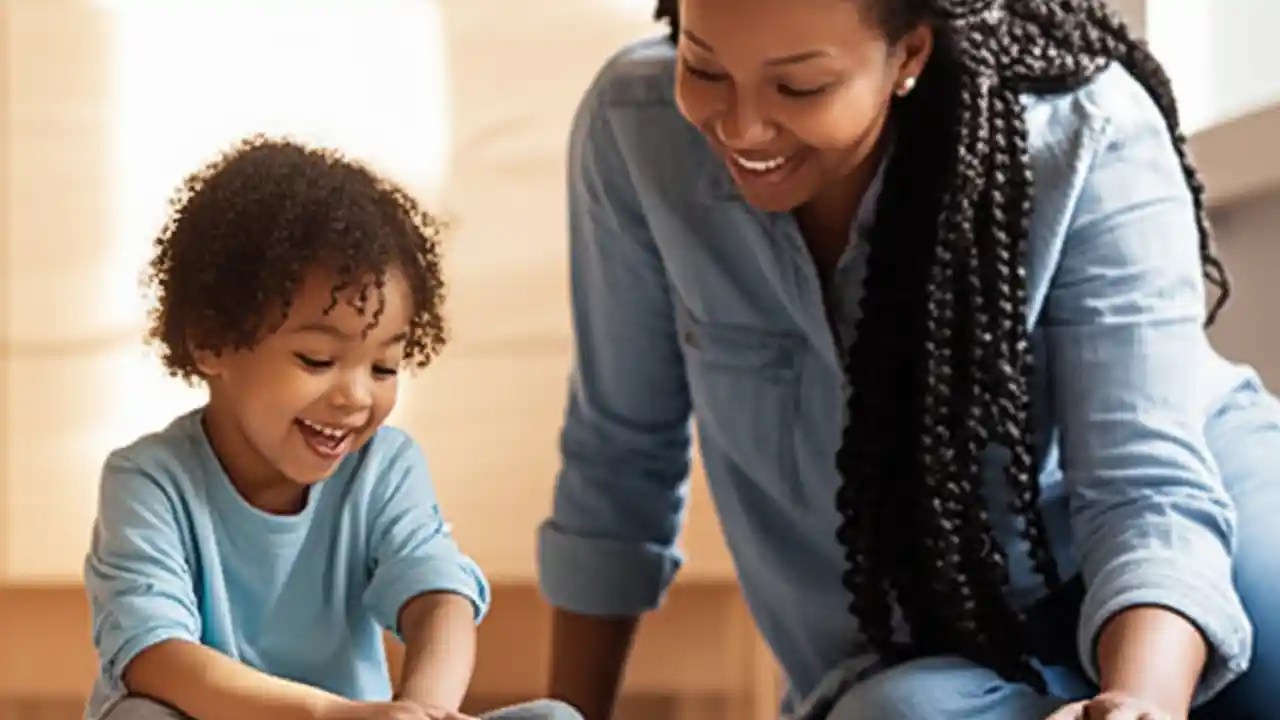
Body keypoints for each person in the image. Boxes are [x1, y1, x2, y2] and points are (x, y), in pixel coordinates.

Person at [536, 0, 1279, 718]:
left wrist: (1142, 703)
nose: (741, 124)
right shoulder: (635, 131)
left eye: (800, 85)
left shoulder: (1084, 125)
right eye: (703, 68)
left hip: (1188, 542)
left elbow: (1145, 486)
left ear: (909, 53)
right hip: (932, 643)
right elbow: (619, 457)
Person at [83, 136, 581, 720]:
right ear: (211, 340)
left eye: (384, 367)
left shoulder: (385, 467)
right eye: (317, 361)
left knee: (555, 719)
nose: (356, 396)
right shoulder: (148, 481)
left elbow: (439, 598)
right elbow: (157, 658)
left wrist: (425, 709)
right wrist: (329, 716)